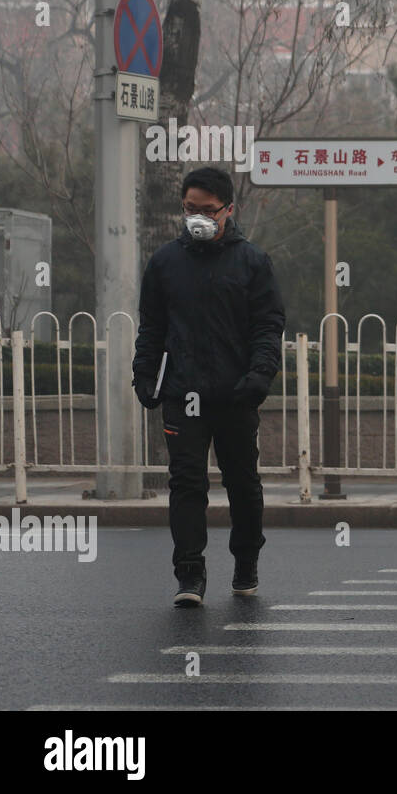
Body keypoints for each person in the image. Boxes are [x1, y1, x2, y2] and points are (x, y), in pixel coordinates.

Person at [132, 167, 286, 607]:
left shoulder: (252, 262)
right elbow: (152, 328)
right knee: (186, 484)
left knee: (242, 483)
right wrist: (145, 375)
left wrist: (259, 377)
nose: (197, 217)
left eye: (207, 210)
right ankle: (190, 574)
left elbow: (267, 326)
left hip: (236, 394)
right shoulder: (165, 263)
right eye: (189, 209)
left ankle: (246, 564)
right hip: (184, 394)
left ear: (228, 211)